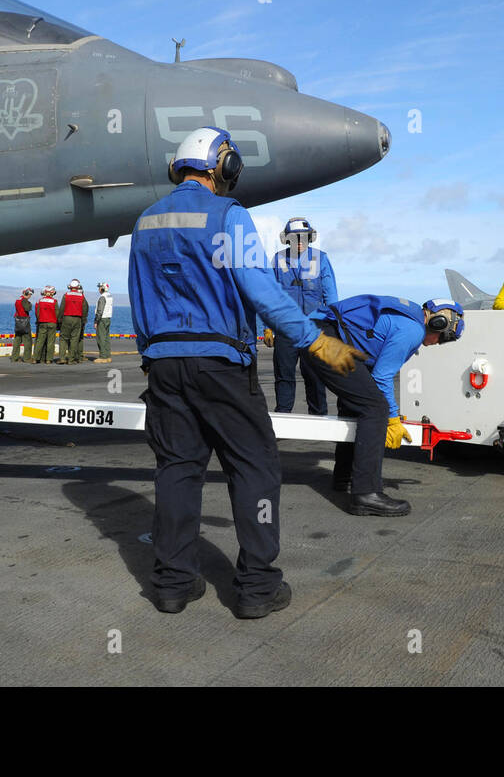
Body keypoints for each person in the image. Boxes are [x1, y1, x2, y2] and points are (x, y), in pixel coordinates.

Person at [129, 126, 365, 618]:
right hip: (220, 365)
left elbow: (139, 295)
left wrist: (153, 358)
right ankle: (256, 588)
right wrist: (315, 340)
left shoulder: (145, 221)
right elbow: (260, 290)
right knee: (253, 467)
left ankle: (173, 584)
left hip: (165, 367)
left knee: (177, 469)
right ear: (225, 167)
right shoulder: (228, 216)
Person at [307, 296, 465, 516]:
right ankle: (366, 494)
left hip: (320, 334)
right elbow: (382, 377)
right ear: (438, 323)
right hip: (326, 339)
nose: (439, 343)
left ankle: (344, 476)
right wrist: (391, 418)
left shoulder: (409, 320)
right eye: (444, 338)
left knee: (357, 403)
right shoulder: (413, 331)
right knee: (375, 409)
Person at [264, 217, 337, 415]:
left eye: (303, 237)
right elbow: (269, 295)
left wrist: (334, 327)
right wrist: (267, 327)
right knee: (284, 376)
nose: (299, 241)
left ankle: (319, 418)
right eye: (294, 237)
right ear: (286, 239)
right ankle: (282, 418)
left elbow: (331, 296)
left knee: (315, 377)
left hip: (314, 330)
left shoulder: (321, 259)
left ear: (309, 238)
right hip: (285, 330)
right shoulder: (278, 260)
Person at [59, 279, 88, 364]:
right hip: (77, 319)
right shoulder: (81, 296)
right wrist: (83, 320)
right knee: (74, 339)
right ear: (78, 287)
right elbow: (85, 309)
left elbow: (62, 308)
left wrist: (60, 320)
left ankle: (62, 358)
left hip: (66, 318)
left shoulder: (66, 295)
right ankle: (71, 359)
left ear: (70, 287)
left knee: (63, 338)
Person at [32, 286, 59, 364]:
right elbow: (57, 313)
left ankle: (35, 358)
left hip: (42, 323)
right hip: (52, 323)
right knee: (50, 342)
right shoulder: (54, 301)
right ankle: (48, 359)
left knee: (40, 341)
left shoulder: (40, 301)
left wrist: (39, 320)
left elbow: (37, 313)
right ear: (51, 292)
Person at [11, 288, 35, 362]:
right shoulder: (24, 300)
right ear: (27, 293)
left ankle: (14, 357)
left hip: (17, 322)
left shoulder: (17, 300)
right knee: (27, 340)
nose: (30, 296)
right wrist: (30, 303)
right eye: (30, 294)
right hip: (24, 322)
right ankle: (27, 358)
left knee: (17, 340)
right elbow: (27, 308)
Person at [94, 282, 114, 363]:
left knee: (101, 338)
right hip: (108, 318)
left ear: (102, 288)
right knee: (106, 338)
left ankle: (102, 357)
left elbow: (100, 310)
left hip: (102, 319)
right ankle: (108, 356)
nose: (99, 289)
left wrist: (96, 321)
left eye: (99, 287)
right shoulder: (110, 296)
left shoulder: (102, 297)